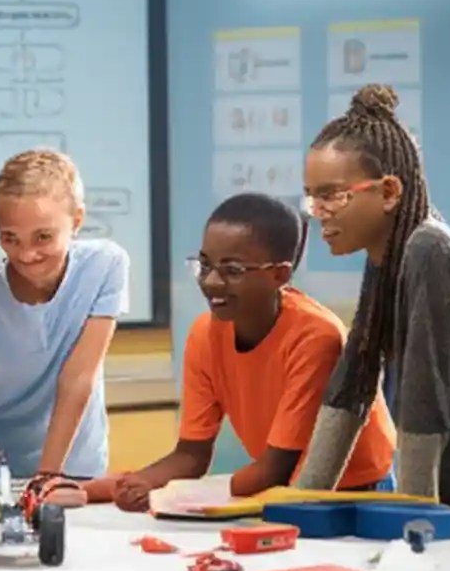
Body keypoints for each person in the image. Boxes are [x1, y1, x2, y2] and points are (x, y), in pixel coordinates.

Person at [294, 84, 450, 529]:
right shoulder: (388, 254)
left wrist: (414, 520)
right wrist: (302, 506)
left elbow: (426, 394)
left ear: (388, 192)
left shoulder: (428, 248)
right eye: (312, 197)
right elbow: (355, 379)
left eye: (333, 195)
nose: (318, 211)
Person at [111, 193, 395, 512]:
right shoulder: (204, 333)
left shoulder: (315, 337)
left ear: (280, 275)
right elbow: (190, 455)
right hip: (281, 491)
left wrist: (181, 494)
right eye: (204, 265)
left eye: (232, 270)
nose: (211, 281)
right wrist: (133, 485)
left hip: (357, 490)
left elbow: (275, 470)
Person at [0, 149, 126, 501]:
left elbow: (77, 379)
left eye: (43, 237)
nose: (26, 254)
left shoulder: (105, 266)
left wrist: (47, 479)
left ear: (78, 220)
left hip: (75, 473)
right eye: (10, 237)